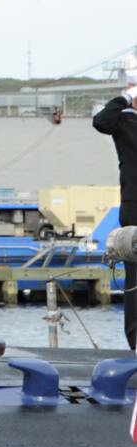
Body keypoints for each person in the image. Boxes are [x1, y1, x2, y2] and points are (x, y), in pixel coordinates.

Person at [90, 67, 137, 351]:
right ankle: (136, 343)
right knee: (135, 277)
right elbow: (101, 122)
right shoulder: (124, 121)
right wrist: (126, 98)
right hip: (135, 207)